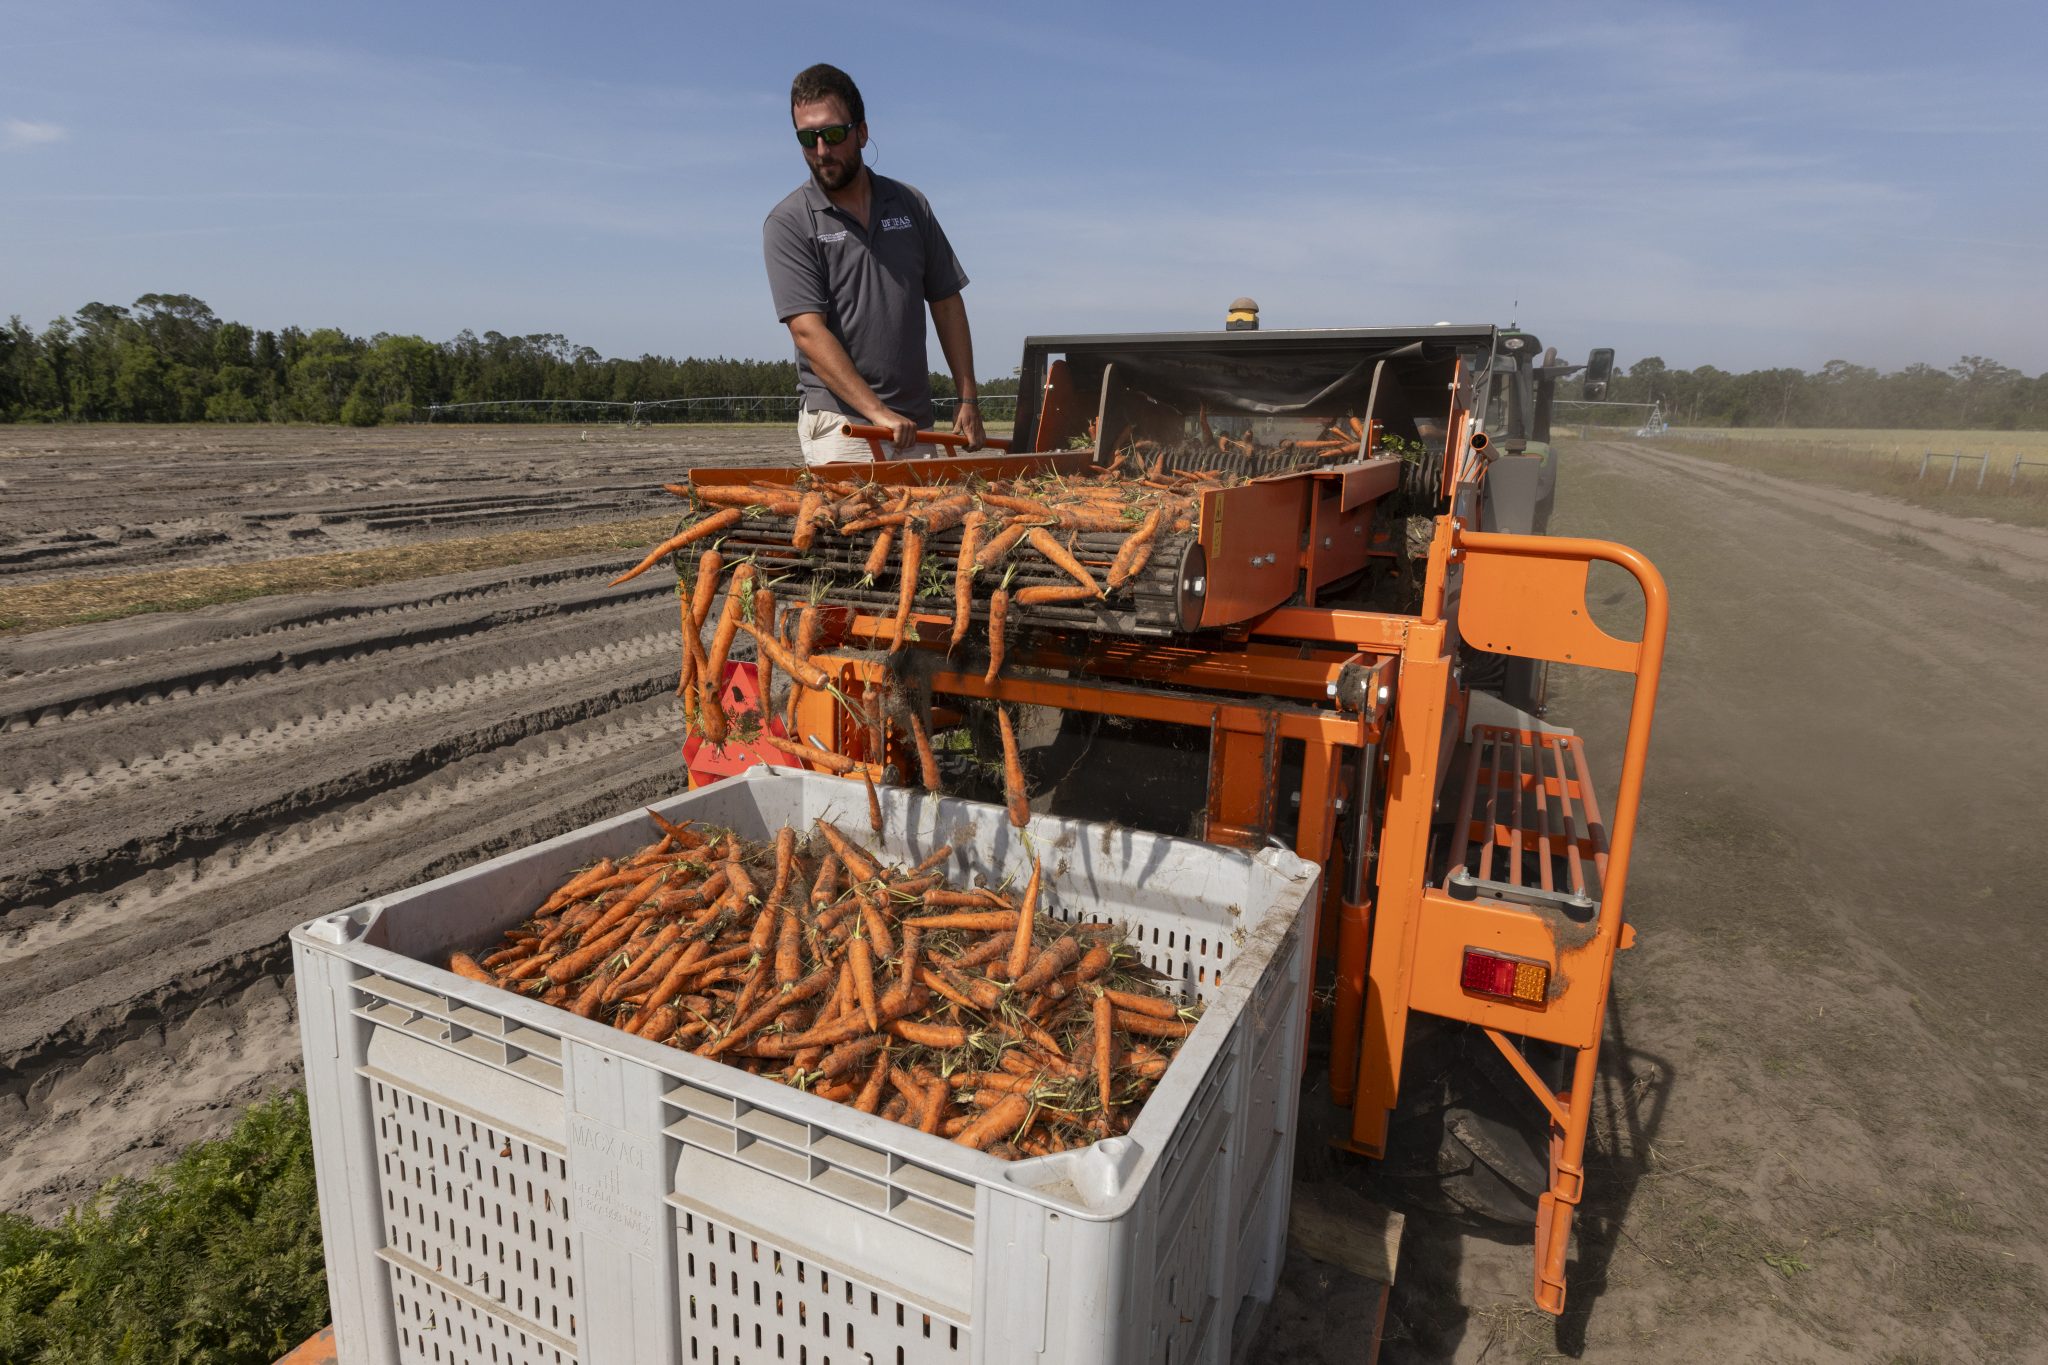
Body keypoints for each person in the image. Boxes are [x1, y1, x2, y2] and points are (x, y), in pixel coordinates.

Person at [762, 63, 985, 466]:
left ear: (862, 132)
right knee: (861, 529)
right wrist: (876, 412)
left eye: (831, 134)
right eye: (807, 138)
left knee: (924, 528)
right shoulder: (791, 222)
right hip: (845, 424)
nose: (821, 151)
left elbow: (947, 301)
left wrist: (967, 397)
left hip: (914, 422)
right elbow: (808, 332)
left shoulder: (910, 205)